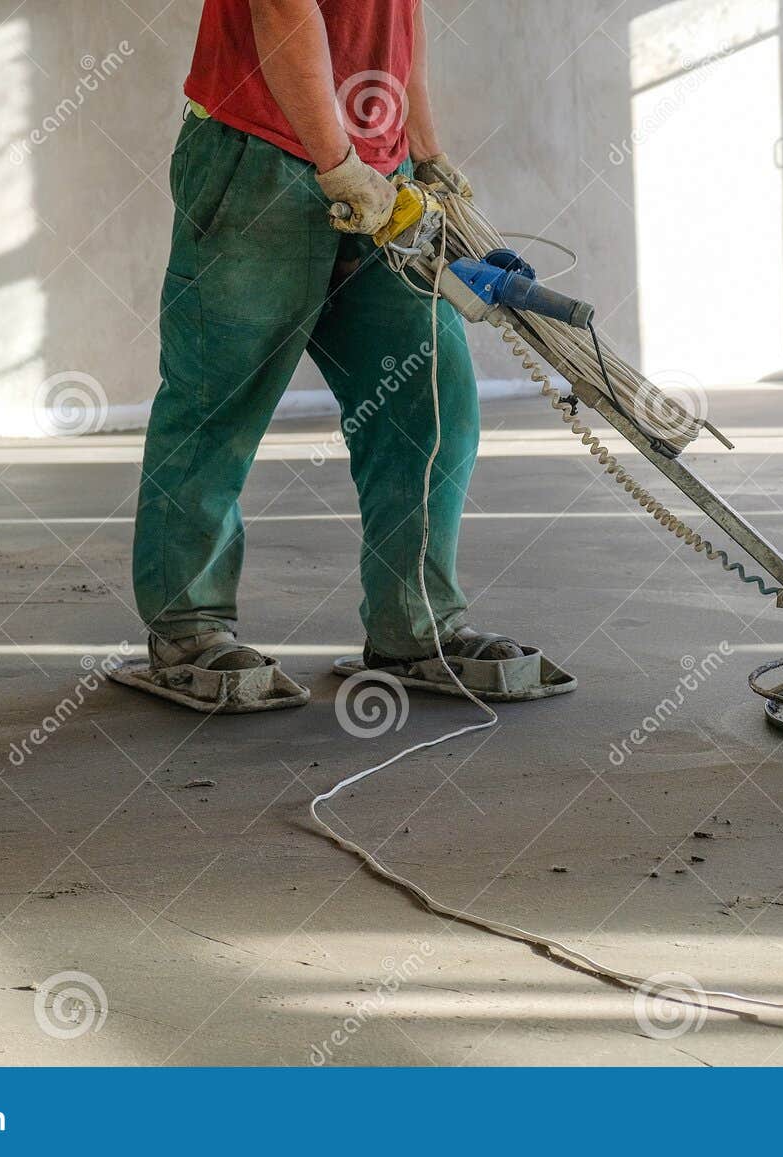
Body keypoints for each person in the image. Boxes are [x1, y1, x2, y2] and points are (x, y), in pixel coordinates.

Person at [131, 0, 535, 708]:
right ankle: (188, 629)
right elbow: (281, 7)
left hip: (385, 173)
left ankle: (416, 625)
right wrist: (337, 163)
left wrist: (426, 152)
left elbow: (397, 24)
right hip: (255, 157)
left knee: (429, 395)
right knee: (218, 400)